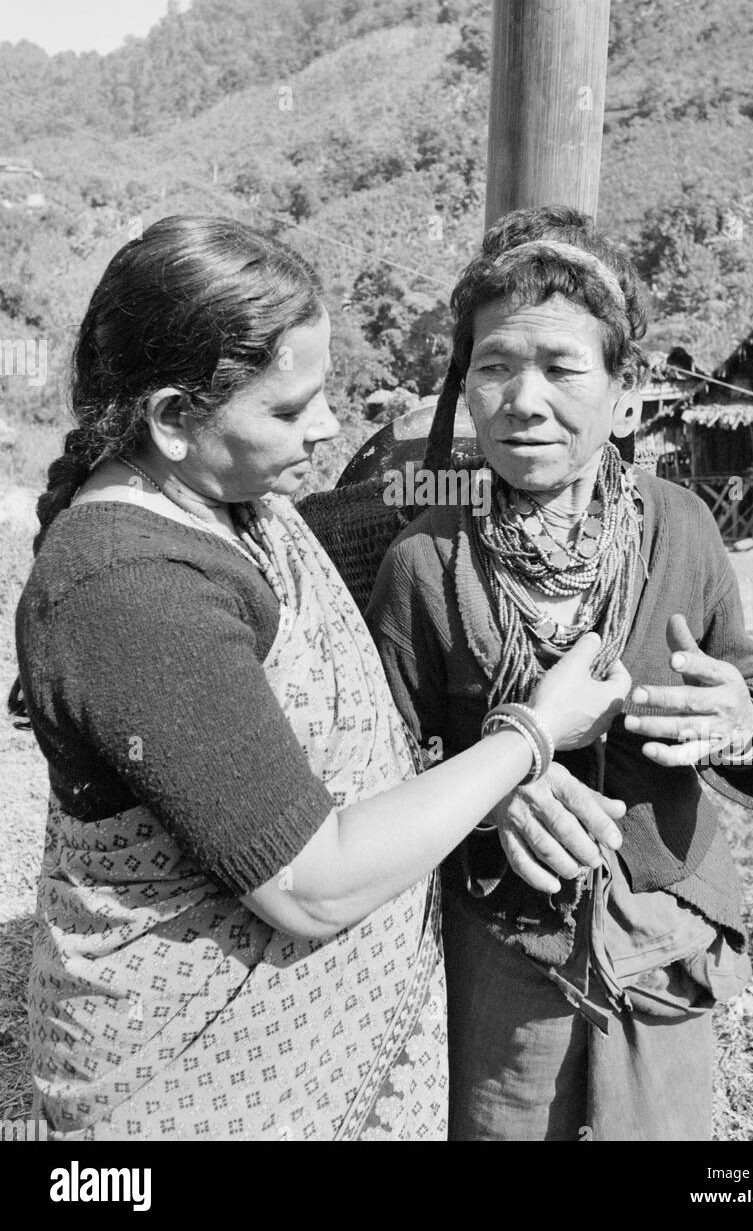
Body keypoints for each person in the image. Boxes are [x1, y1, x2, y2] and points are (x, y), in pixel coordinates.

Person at [11, 215, 630, 1142]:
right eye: (291, 410)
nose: (330, 427)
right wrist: (529, 739)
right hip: (200, 1097)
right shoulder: (128, 589)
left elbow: (387, 520)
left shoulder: (245, 510)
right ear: (174, 418)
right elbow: (309, 883)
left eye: (323, 393)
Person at [366, 206, 753, 1142]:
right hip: (504, 941)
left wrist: (739, 721)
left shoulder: (679, 527)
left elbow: (751, 687)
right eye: (493, 368)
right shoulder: (425, 563)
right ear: (463, 385)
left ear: (620, 384)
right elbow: (378, 770)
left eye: (560, 368)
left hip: (664, 928)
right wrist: (494, 791)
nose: (523, 400)